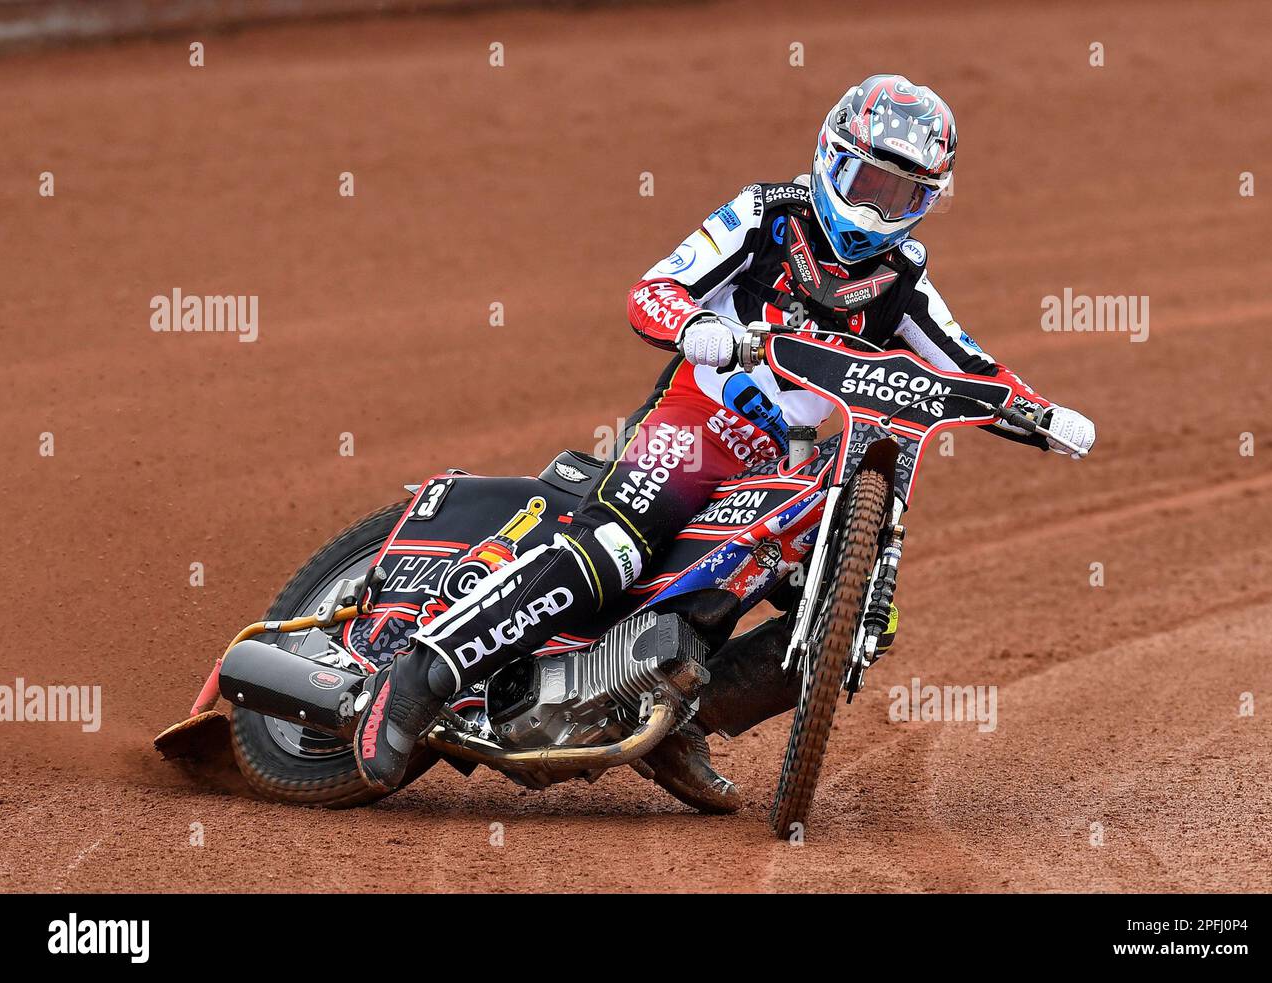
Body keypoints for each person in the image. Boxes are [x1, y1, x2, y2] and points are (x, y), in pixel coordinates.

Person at [352, 74, 1097, 811]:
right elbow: (652, 290)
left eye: (901, 195)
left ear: (928, 202)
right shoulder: (767, 213)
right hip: (696, 424)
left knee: (860, 607)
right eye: (867, 180)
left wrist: (1045, 413)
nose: (877, 207)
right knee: (616, 546)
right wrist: (693, 327)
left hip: (786, 465)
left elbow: (972, 370)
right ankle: (421, 674)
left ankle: (680, 725)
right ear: (831, 158)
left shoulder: (904, 283)